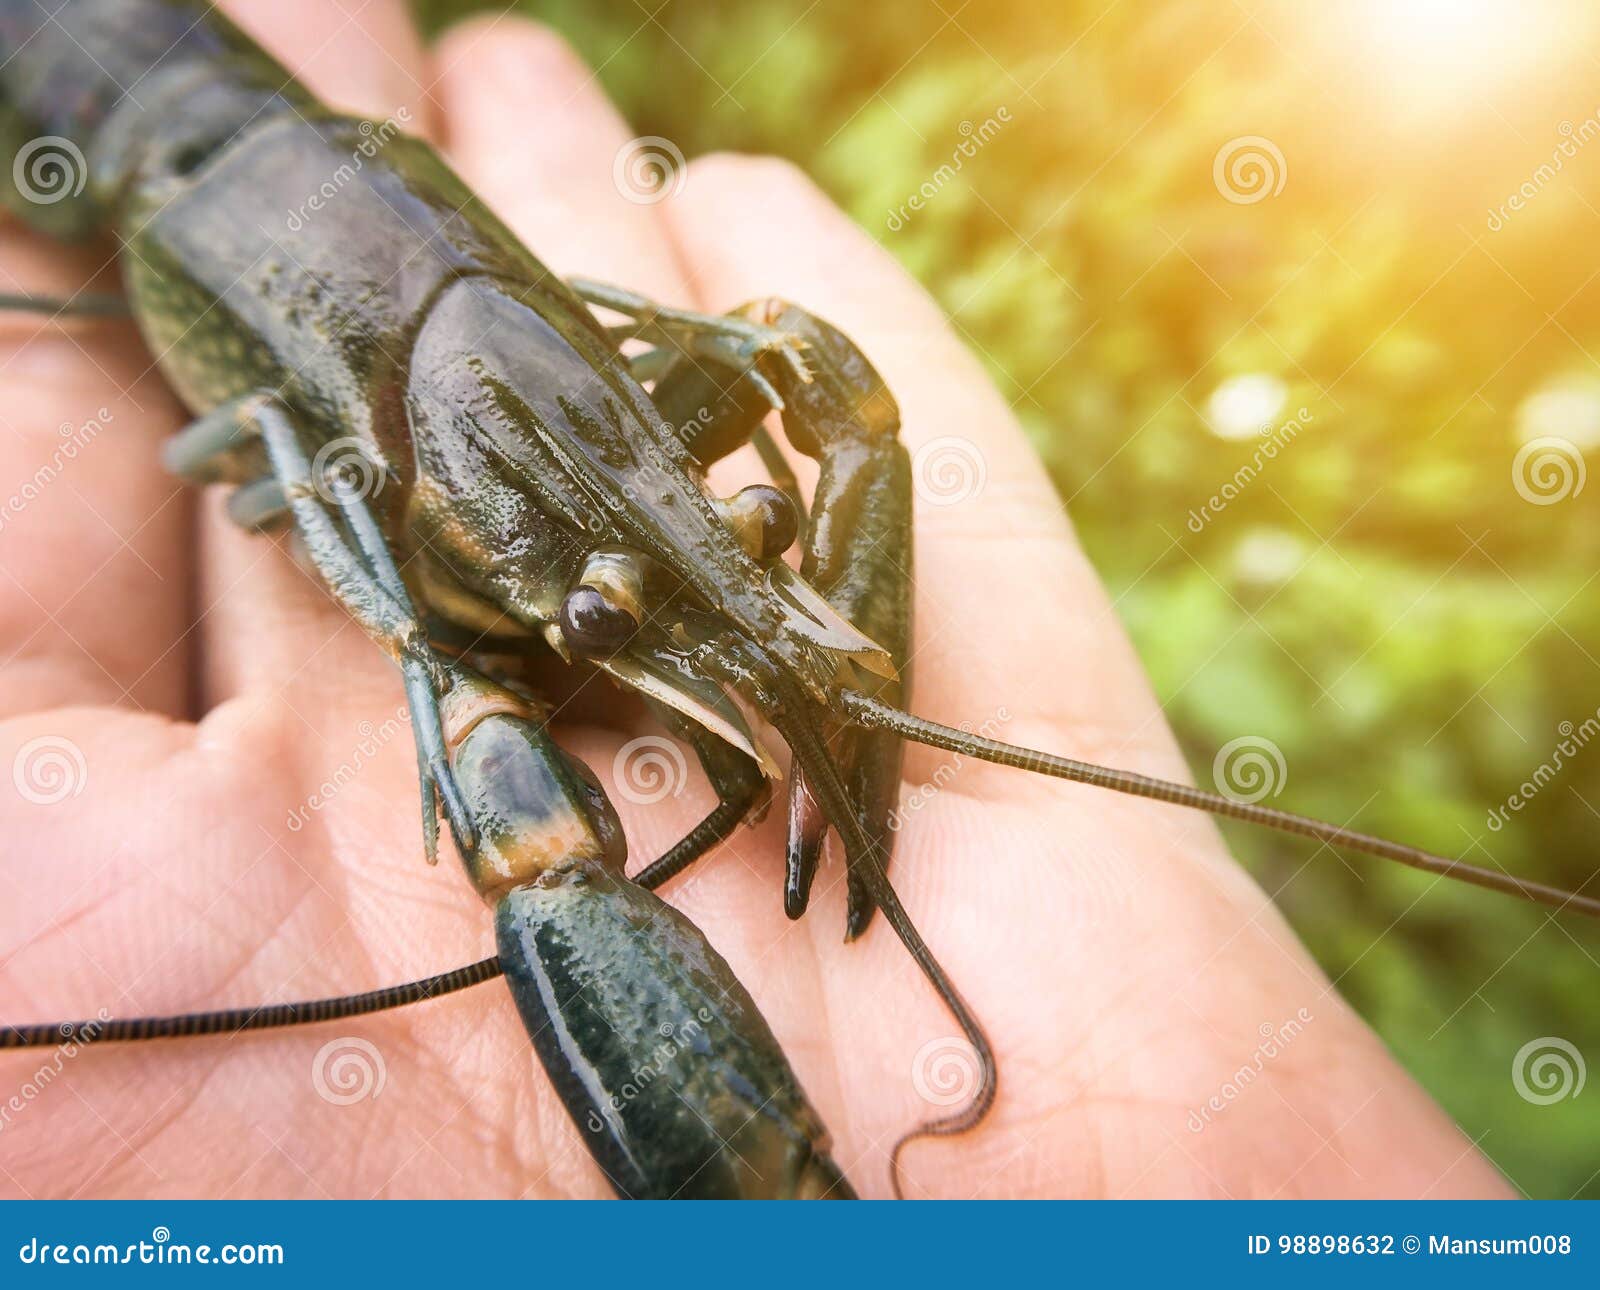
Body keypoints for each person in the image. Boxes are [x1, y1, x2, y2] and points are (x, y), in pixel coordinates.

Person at [0, 0, 1506, 1199]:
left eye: (751, 524)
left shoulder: (649, 445)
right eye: (600, 619)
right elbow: (539, 853)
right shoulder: (340, 479)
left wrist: (745, 603)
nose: (741, 558)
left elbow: (803, 362)